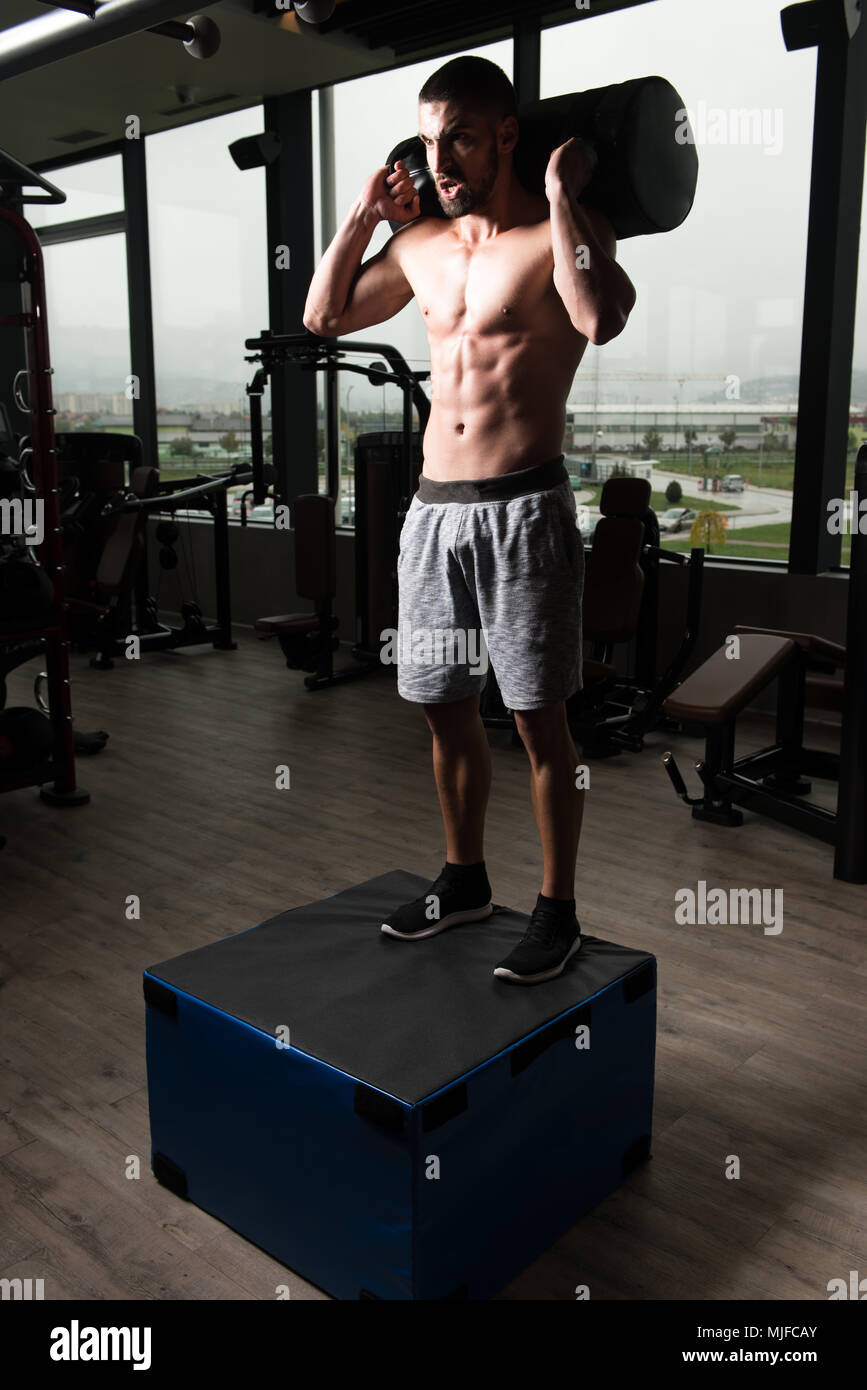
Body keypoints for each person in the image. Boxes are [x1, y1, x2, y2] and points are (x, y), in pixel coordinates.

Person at [304, 55, 636, 984]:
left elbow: (595, 316)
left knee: (538, 724)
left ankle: (558, 910)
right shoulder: (420, 249)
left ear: (504, 136)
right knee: (443, 712)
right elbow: (323, 312)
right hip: (432, 516)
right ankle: (463, 880)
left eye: (456, 134)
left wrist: (565, 194)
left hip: (523, 510)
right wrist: (368, 212)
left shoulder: (559, 236)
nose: (438, 155)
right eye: (427, 136)